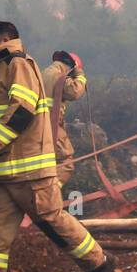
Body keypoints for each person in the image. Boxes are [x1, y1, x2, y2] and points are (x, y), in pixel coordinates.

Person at [0, 22, 111, 272]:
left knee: (52, 219)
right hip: (3, 171)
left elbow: (23, 109)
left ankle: (98, 263)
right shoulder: (5, 67)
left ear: (5, 39)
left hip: (28, 168)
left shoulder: (19, 64)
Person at [41, 50, 86, 190]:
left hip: (34, 126)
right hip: (51, 124)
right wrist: (80, 76)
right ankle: (49, 194)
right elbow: (75, 92)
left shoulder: (42, 73)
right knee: (66, 162)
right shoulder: (59, 76)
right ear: (72, 68)